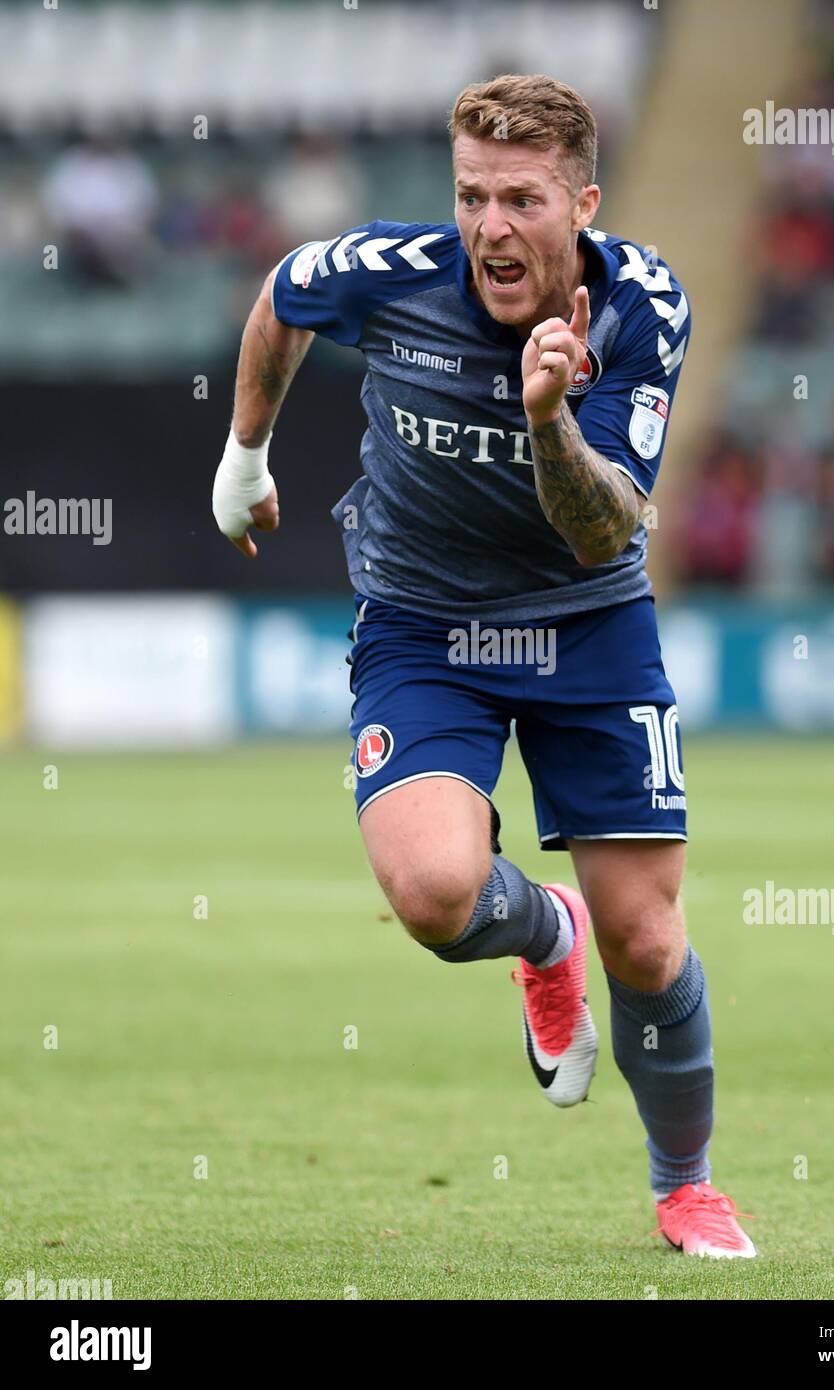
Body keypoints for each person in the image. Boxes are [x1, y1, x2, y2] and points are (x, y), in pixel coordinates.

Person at [212, 73, 755, 1259]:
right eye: (470, 197)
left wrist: (550, 418)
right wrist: (245, 454)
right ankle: (540, 937)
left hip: (587, 622)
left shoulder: (638, 310)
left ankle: (685, 1186)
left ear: (584, 203)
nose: (490, 229)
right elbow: (280, 298)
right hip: (421, 624)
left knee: (649, 944)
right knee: (432, 897)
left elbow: (605, 527)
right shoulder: (392, 273)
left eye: (519, 199)